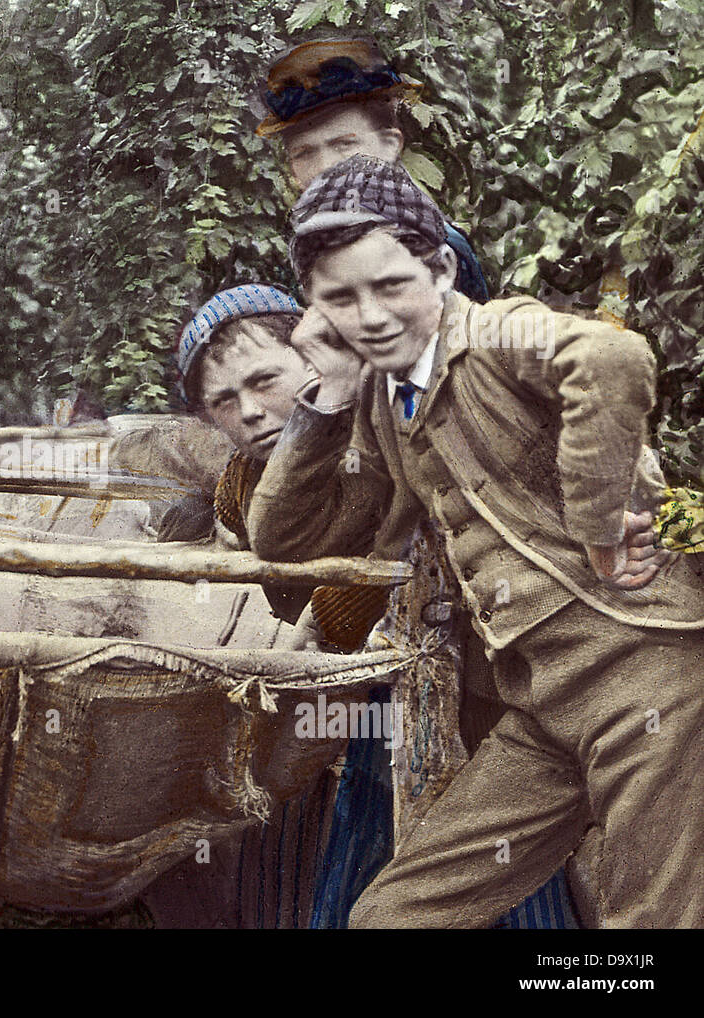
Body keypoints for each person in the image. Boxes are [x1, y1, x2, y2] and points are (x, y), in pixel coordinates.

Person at [248, 154, 704, 927]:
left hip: (646, 673)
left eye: (391, 285)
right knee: (390, 918)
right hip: (542, 703)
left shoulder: (495, 332)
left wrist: (596, 527)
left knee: (651, 927)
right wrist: (325, 393)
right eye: (342, 300)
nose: (373, 316)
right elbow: (284, 540)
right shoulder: (384, 404)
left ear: (441, 269)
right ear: (317, 310)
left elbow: (612, 356)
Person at [255, 36, 490, 302]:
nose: (324, 167)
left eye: (344, 144)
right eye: (304, 153)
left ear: (390, 144)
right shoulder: (297, 251)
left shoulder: (435, 246)